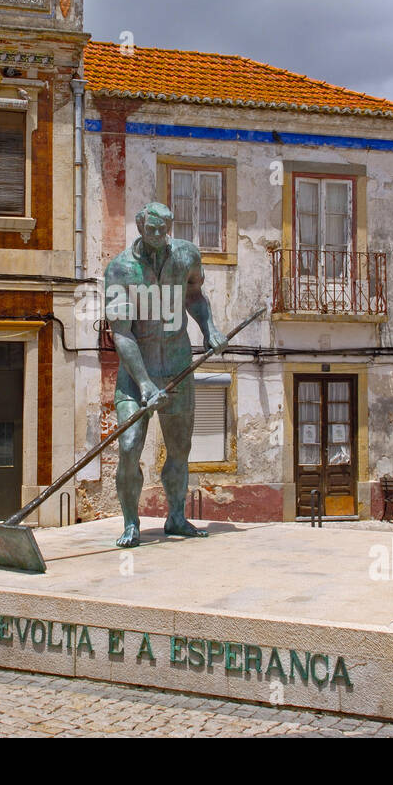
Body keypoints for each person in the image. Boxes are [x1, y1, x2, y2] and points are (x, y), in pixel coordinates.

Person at [105, 202, 227, 549]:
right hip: (135, 374)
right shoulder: (120, 269)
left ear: (169, 228)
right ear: (140, 226)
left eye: (163, 229)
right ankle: (131, 524)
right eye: (151, 229)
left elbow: (195, 296)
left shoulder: (186, 256)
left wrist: (210, 329)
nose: (157, 235)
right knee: (129, 448)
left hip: (176, 366)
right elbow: (122, 333)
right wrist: (144, 383)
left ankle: (176, 516)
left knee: (180, 449)